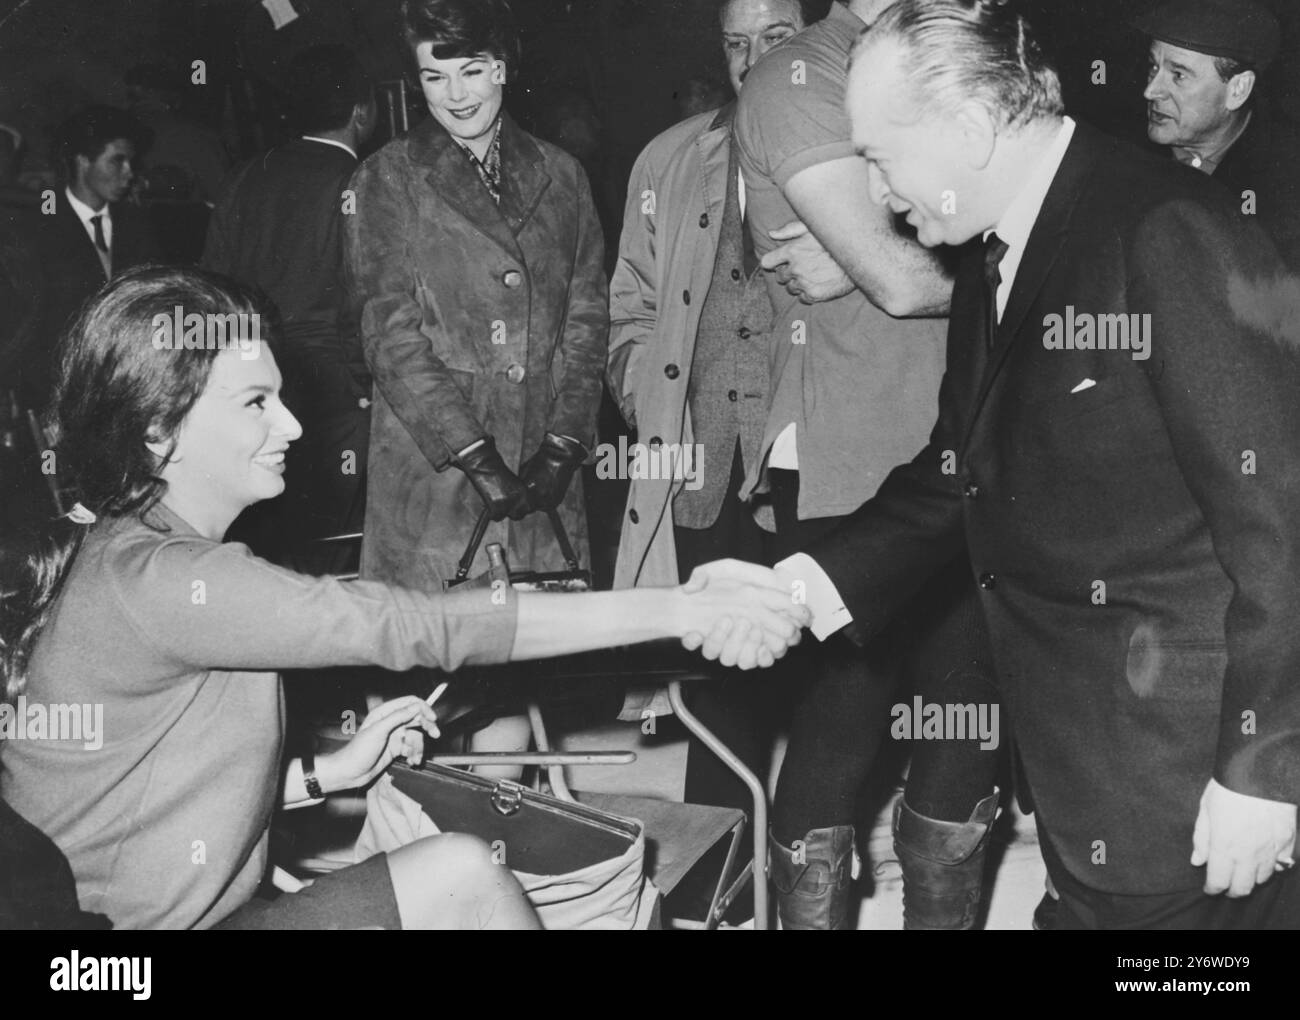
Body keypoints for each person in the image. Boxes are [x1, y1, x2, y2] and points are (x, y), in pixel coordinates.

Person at [711, 0, 1300, 929]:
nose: (874, 191)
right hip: (1088, 769)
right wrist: (797, 590)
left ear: (974, 128)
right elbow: (958, 470)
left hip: (1185, 774)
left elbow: (1283, 514)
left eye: (878, 156)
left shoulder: (1165, 231)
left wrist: (1266, 772)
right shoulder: (996, 256)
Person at [0, 266, 807, 930]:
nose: (292, 425)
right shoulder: (166, 579)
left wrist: (325, 775)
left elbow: (144, 796)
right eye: (254, 403)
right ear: (157, 429)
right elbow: (413, 626)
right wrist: (683, 607)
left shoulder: (137, 551)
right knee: (463, 876)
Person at [732, 0, 1000, 929]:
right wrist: (1003, 260)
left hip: (960, 460)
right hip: (852, 465)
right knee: (839, 736)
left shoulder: (942, 56)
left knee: (965, 738)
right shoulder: (798, 77)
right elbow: (906, 277)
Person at [344, 0, 608, 772]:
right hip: (435, 480)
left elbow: (587, 318)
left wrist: (564, 445)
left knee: (510, 677)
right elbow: (388, 335)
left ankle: (500, 849)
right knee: (422, 688)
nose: (455, 94)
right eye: (433, 74)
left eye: (471, 70)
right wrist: (472, 453)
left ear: (504, 67)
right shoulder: (385, 180)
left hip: (540, 473)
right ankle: (415, 864)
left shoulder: (563, 176)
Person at [608, 0, 826, 923]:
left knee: (832, 691)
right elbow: (629, 305)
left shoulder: (851, 151)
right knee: (719, 691)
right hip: (696, 474)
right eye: (736, 45)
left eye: (775, 40)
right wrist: (648, 399)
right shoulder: (667, 159)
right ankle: (719, 899)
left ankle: (813, 880)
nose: (752, 62)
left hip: (817, 475)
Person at [202, 45, 378, 569]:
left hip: (252, 392)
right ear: (362, 112)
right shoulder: (363, 183)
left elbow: (209, 286)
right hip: (340, 395)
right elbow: (365, 298)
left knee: (277, 549)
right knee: (341, 550)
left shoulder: (247, 175)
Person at [16, 105, 161, 414]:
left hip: (125, 390)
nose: (129, 173)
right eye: (117, 160)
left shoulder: (137, 225)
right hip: (54, 392)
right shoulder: (37, 228)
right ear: (83, 162)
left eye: (130, 161)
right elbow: (27, 327)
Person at [1138, 0, 1300, 270]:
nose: (1150, 91)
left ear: (1238, 90)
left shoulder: (1287, 185)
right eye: (1153, 67)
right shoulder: (1119, 145)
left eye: (1178, 75)